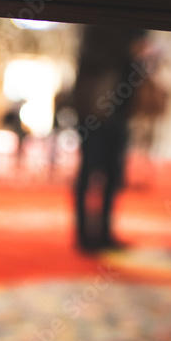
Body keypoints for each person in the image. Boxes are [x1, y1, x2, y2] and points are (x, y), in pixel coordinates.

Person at [71, 26, 148, 252]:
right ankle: (85, 234)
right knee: (90, 170)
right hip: (96, 106)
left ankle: (104, 231)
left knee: (113, 174)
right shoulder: (101, 24)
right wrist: (128, 51)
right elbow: (92, 56)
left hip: (120, 106)